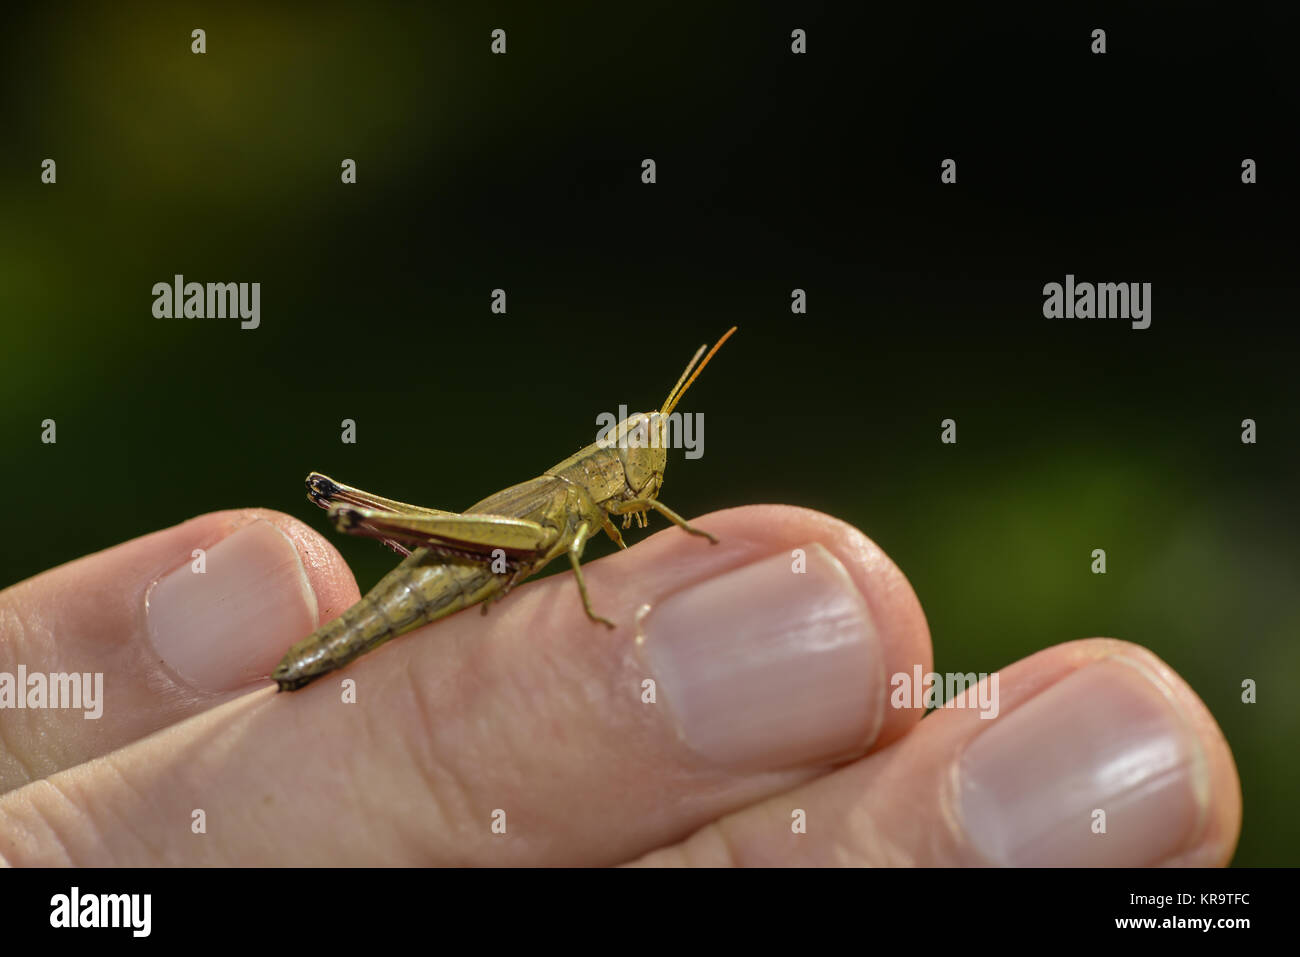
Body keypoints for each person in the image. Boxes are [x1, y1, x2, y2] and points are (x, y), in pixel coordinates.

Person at [0, 505, 1240, 866]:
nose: (643, 471)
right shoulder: (585, 513)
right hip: (477, 551)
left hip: (495, 557)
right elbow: (566, 552)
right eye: (637, 455)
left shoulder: (623, 500)